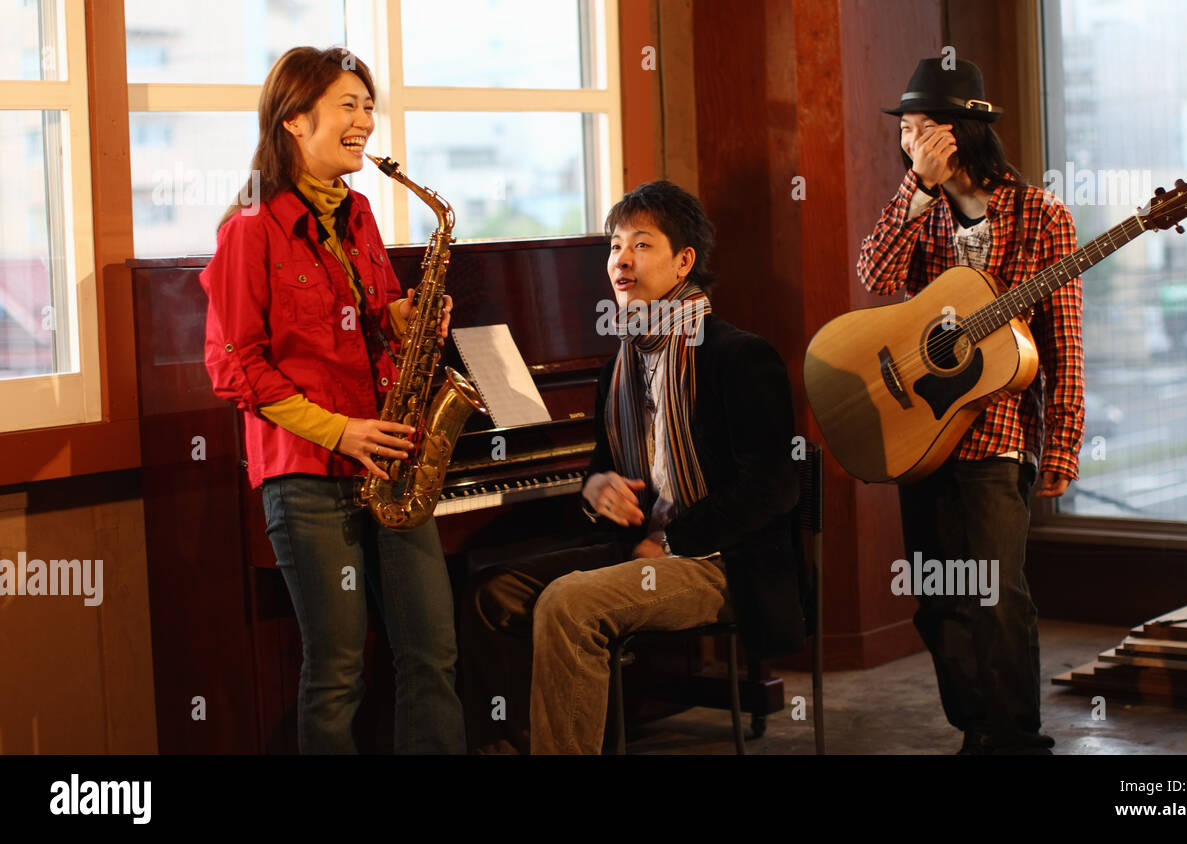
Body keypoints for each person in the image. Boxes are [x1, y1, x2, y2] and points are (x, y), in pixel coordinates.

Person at [463, 180, 805, 754]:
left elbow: (774, 486)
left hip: (720, 562)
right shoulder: (618, 365)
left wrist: (672, 541)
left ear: (683, 262)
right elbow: (603, 465)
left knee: (569, 603)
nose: (621, 260)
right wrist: (597, 486)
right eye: (615, 245)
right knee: (490, 593)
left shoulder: (738, 356)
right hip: (642, 550)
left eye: (641, 245)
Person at [200, 46, 463, 754]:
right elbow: (235, 369)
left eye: (368, 106)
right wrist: (339, 432)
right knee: (338, 672)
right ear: (293, 120)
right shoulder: (248, 229)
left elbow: (376, 316)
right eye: (348, 106)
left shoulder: (361, 214)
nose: (365, 122)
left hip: (389, 460)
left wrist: (409, 317)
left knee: (431, 653)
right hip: (308, 476)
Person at [857, 57, 1084, 754]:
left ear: (961, 134)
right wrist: (915, 188)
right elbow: (875, 275)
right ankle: (976, 729)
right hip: (921, 432)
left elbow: (1064, 339)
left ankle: (1016, 736)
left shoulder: (1041, 213)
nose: (908, 142)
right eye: (906, 132)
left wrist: (1065, 442)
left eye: (922, 130)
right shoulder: (918, 211)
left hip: (999, 434)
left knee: (996, 593)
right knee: (937, 597)